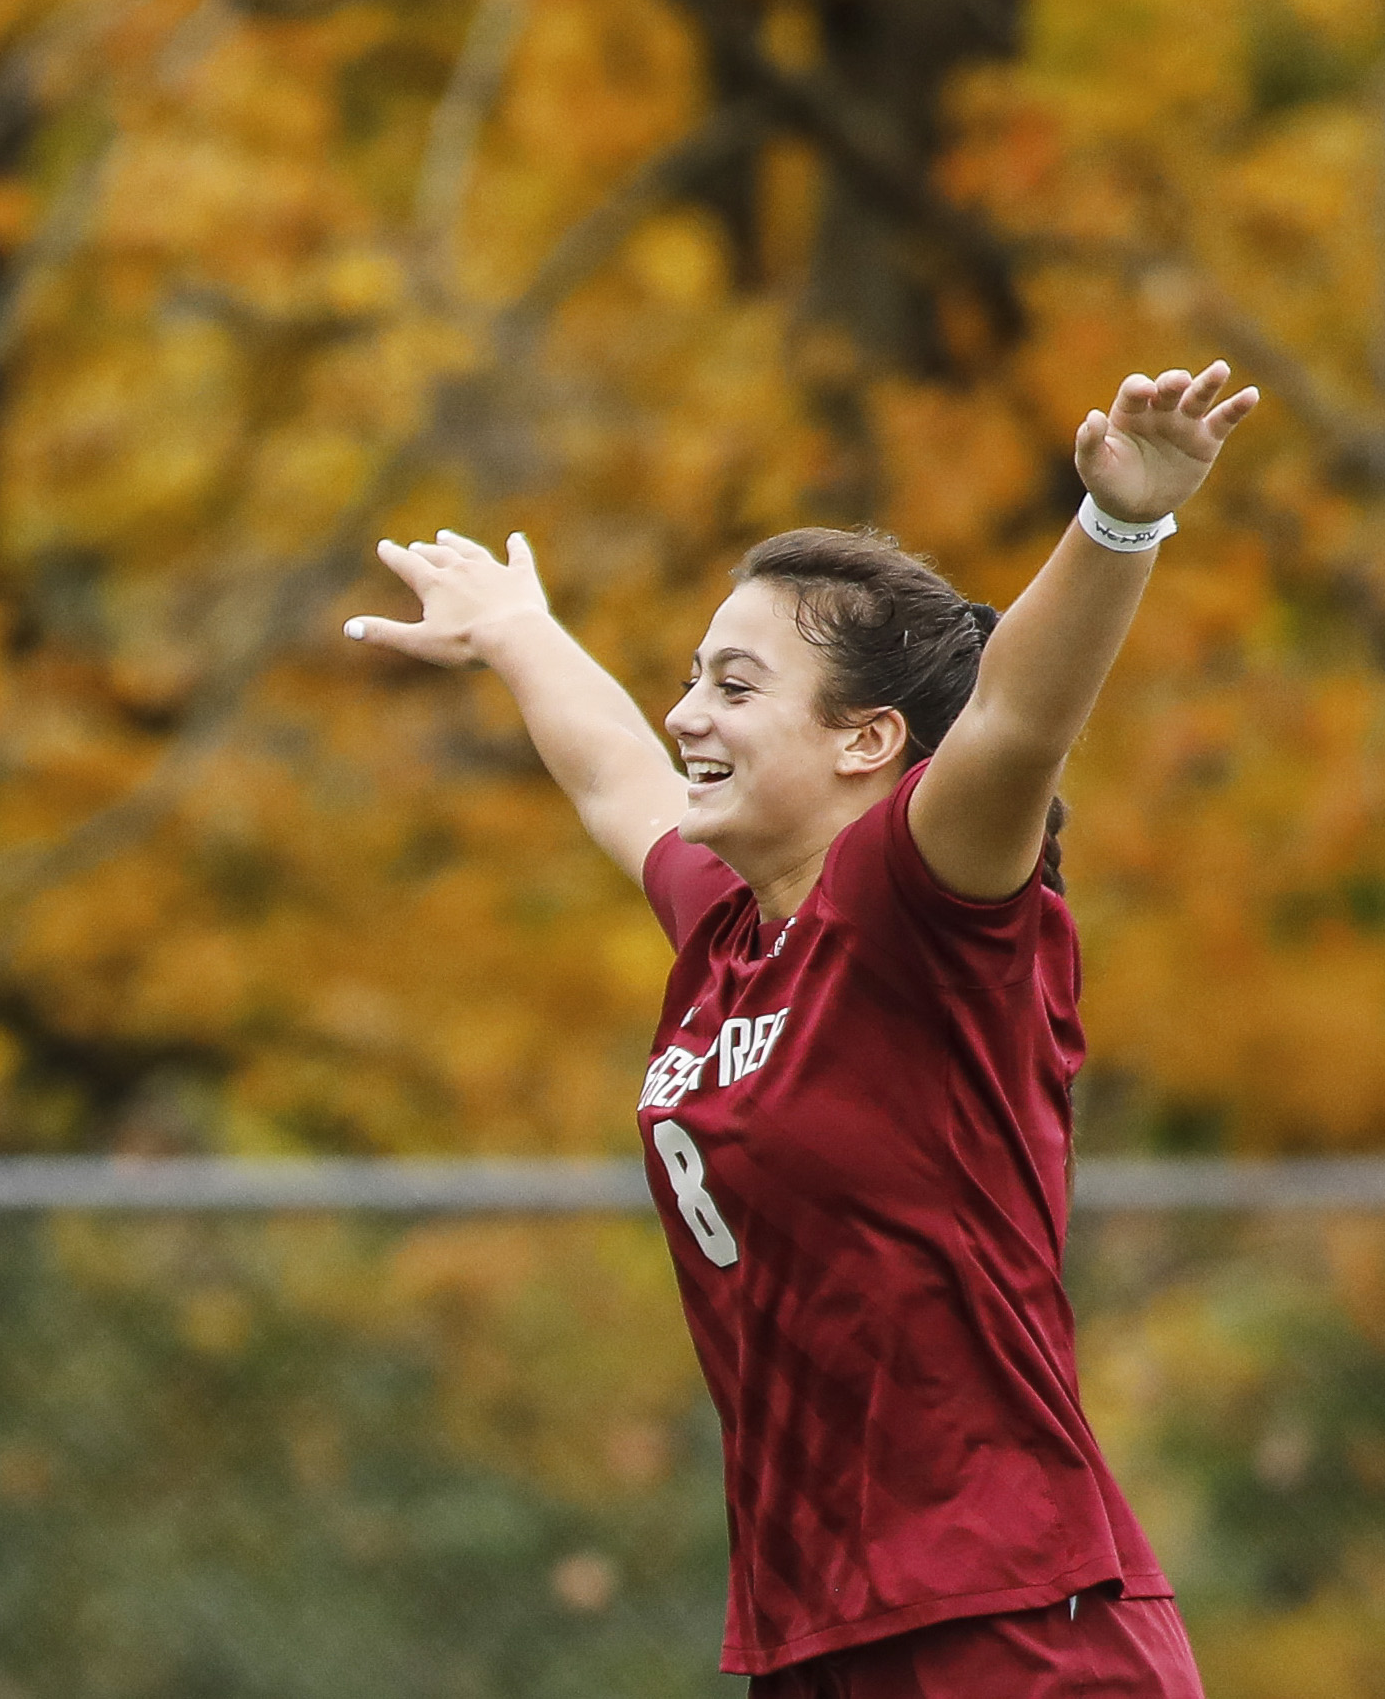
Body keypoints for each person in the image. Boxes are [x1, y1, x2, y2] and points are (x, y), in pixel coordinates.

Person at [345, 363, 1262, 1696]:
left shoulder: (917, 905)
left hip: (1012, 1624)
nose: (685, 714)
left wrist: (1118, 523)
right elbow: (615, 767)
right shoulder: (729, 930)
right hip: (815, 1633)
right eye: (689, 679)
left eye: (732, 684)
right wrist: (512, 627)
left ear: (868, 741)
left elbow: (1012, 724)